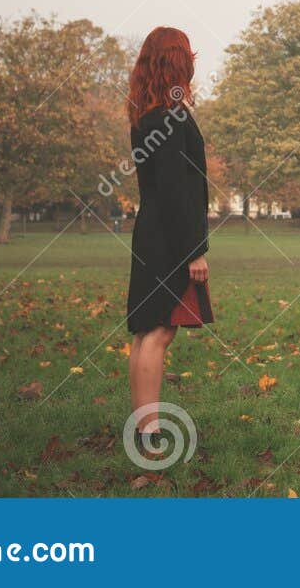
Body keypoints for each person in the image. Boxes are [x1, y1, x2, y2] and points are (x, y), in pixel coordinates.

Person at [124, 26, 212, 457]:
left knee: (146, 332)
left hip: (150, 231)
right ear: (177, 63)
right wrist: (195, 249)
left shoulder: (145, 116)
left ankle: (144, 428)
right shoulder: (173, 119)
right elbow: (181, 191)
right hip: (170, 236)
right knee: (158, 332)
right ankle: (150, 430)